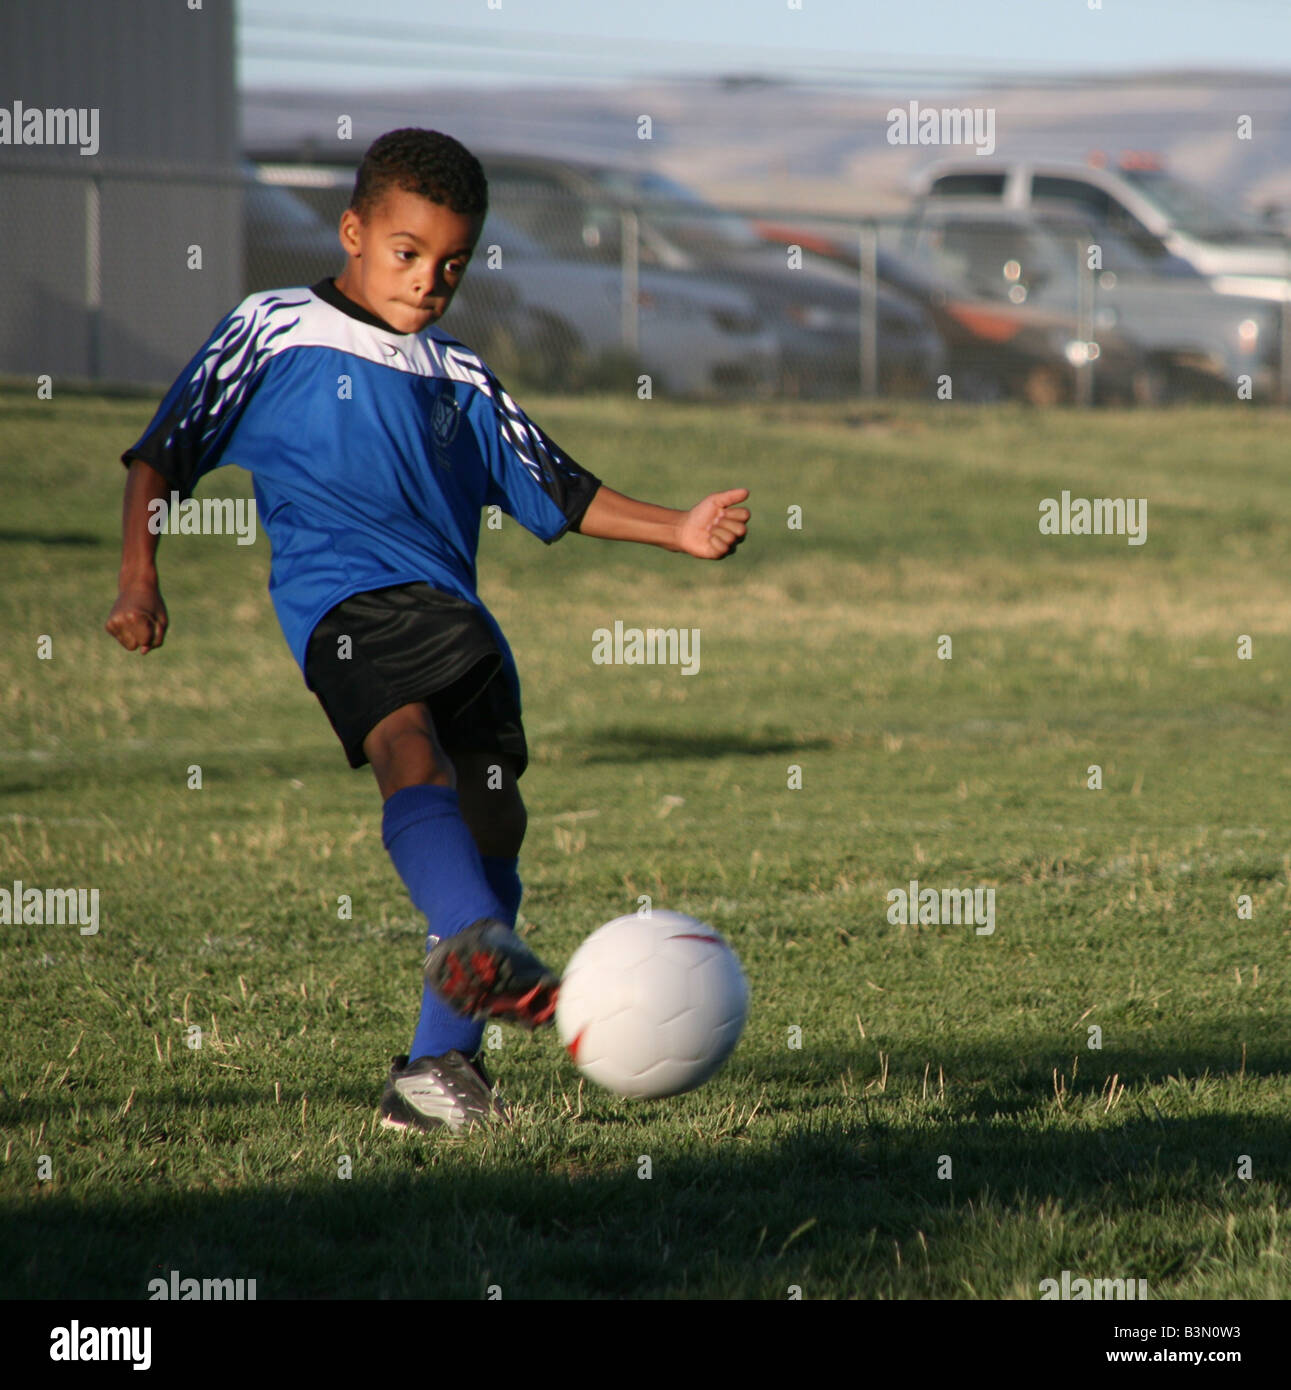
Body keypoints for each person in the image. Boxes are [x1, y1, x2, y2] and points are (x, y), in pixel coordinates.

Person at [106, 127, 750, 1135]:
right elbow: (163, 453)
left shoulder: (462, 374)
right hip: (343, 604)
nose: (429, 279)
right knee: (408, 756)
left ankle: (435, 1068)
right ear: (355, 232)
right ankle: (473, 936)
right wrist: (138, 578)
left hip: (456, 618)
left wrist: (679, 527)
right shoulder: (271, 328)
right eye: (407, 253)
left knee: (495, 818)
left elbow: (560, 489)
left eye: (452, 262)